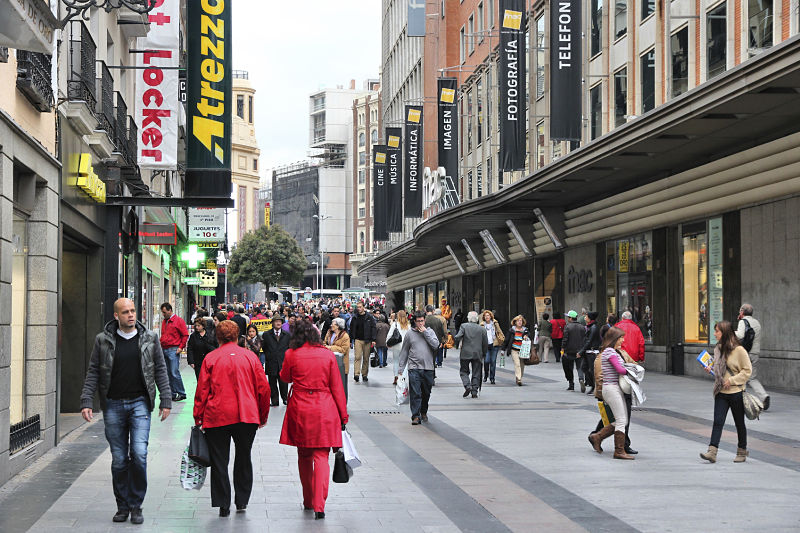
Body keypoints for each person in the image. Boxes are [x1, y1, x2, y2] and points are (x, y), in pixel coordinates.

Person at [80, 298, 172, 525]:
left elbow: (160, 369)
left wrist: (166, 399)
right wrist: (86, 400)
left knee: (139, 454)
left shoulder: (149, 338)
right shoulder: (102, 340)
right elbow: (94, 371)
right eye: (125, 312)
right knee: (120, 459)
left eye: (132, 311)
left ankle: (136, 505)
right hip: (113, 404)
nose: (131, 315)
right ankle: (122, 506)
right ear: (116, 316)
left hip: (140, 403)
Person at [194, 320, 270, 516]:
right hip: (247, 414)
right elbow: (263, 389)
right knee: (244, 456)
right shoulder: (250, 357)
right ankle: (242, 500)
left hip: (217, 414)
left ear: (217, 337)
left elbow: (202, 390)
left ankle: (223, 503)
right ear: (237, 336)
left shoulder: (211, 358)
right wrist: (262, 415)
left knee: (219, 459)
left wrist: (198, 417)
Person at [279, 320, 349, 520]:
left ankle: (308, 500)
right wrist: (343, 415)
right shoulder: (327, 355)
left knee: (304, 455)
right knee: (321, 456)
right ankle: (320, 504)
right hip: (324, 407)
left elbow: (285, 378)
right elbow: (337, 387)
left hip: (300, 407)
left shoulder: (291, 354)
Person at [700, 320, 753, 464]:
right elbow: (719, 369)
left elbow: (747, 371)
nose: (714, 334)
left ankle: (742, 451)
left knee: (739, 423)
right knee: (718, 422)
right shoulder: (718, 348)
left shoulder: (739, 350)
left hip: (736, 393)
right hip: (721, 392)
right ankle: (712, 452)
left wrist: (732, 380)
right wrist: (711, 369)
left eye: (717, 331)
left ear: (725, 333)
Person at [588, 327, 634, 460]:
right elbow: (620, 369)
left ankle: (598, 437)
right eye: (621, 338)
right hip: (611, 389)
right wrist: (631, 369)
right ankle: (619, 451)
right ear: (614, 338)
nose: (623, 340)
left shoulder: (612, 351)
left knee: (622, 420)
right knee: (621, 420)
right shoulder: (609, 352)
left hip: (615, 388)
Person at [398, 312, 440, 425]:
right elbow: (404, 351)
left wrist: (425, 333)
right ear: (414, 322)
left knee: (426, 392)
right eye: (418, 321)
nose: (420, 323)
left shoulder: (430, 332)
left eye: (422, 321)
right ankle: (415, 416)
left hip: (428, 368)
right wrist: (401, 368)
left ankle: (423, 411)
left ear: (424, 321)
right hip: (414, 367)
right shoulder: (410, 334)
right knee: (415, 392)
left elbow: (435, 345)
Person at [735, 303, 768, 410]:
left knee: (738, 375)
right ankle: (764, 396)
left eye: (740, 310)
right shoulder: (757, 322)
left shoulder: (743, 322)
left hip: (745, 353)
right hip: (755, 353)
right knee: (751, 377)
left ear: (742, 312)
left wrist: (729, 332)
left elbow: (740, 335)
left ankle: (739, 400)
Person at [454, 311, 489, 398]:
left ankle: (467, 385)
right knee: (476, 372)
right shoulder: (482, 329)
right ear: (477, 319)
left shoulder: (464, 326)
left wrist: (456, 342)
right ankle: (474, 391)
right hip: (477, 353)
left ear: (468, 318)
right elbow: (485, 343)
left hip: (465, 353)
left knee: (464, 371)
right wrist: (484, 353)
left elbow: (458, 336)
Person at [159, 302, 188, 402]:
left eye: (164, 312)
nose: (163, 314)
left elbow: (185, 335)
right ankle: (172, 393)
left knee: (174, 372)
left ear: (170, 310)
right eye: (162, 312)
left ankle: (181, 392)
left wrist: (180, 347)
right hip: (165, 348)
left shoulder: (178, 321)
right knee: (168, 373)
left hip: (173, 349)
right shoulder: (165, 321)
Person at [262, 316, 291, 406]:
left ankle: (285, 398)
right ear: (272, 323)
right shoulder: (266, 334)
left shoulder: (287, 335)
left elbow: (289, 348)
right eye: (276, 321)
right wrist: (269, 355)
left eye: (280, 321)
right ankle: (274, 401)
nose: (278, 323)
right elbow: (264, 347)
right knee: (272, 383)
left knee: (284, 382)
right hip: (271, 362)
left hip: (283, 362)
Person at [323, 317, 351, 399]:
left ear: (338, 326)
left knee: (342, 385)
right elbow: (324, 343)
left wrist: (330, 348)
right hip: (329, 362)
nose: (331, 325)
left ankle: (343, 401)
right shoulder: (329, 333)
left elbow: (343, 350)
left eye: (333, 324)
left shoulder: (345, 336)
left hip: (341, 364)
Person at [349, 301, 377, 382]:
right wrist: (351, 340)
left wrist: (373, 339)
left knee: (366, 358)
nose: (359, 308)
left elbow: (373, 328)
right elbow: (351, 328)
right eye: (357, 307)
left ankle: (364, 374)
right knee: (357, 357)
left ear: (364, 307)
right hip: (358, 339)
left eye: (360, 307)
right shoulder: (355, 317)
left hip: (367, 340)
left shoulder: (369, 317)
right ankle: (356, 374)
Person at [502, 315, 530, 386]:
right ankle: (519, 378)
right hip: (514, 350)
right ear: (515, 322)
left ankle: (519, 377)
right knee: (517, 364)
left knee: (522, 365)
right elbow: (507, 340)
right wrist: (503, 349)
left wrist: (526, 336)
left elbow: (530, 336)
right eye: (518, 321)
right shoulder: (512, 330)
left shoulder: (525, 330)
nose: (520, 322)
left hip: (523, 350)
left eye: (521, 321)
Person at [562, 310, 586, 391]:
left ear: (570, 318)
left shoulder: (567, 327)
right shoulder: (582, 327)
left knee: (569, 368)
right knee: (579, 367)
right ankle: (581, 379)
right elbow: (584, 339)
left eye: (568, 317)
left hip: (569, 351)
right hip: (579, 351)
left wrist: (563, 348)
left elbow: (565, 339)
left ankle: (571, 384)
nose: (567, 319)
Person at [579, 312, 602, 395]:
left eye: (586, 316)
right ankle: (592, 385)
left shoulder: (593, 327)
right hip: (587, 351)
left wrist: (581, 351)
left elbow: (589, 341)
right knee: (584, 368)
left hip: (592, 351)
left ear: (589, 318)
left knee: (592, 370)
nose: (585, 317)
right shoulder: (589, 326)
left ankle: (594, 387)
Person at [479, 310, 504, 384]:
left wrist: (502, 338)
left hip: (494, 345)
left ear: (491, 316)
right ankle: (486, 375)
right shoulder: (482, 325)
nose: (487, 317)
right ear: (484, 317)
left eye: (488, 315)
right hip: (486, 345)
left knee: (493, 361)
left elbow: (499, 331)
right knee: (486, 361)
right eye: (485, 316)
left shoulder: (495, 323)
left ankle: (492, 378)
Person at [388, 310, 412, 384]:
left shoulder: (395, 324)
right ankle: (402, 377)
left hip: (397, 345)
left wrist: (388, 343)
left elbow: (390, 335)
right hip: (406, 346)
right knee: (405, 362)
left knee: (396, 361)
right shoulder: (408, 326)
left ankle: (396, 376)